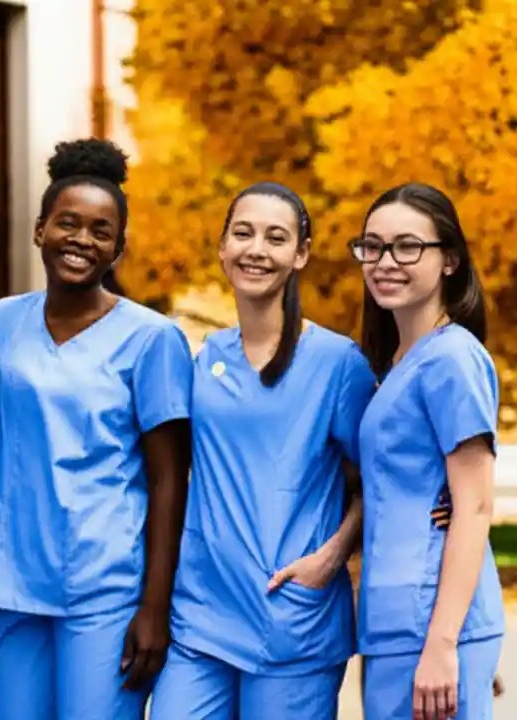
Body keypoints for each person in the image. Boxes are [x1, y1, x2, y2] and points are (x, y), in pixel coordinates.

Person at [0, 139, 193, 720]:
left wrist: (155, 608)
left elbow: (171, 479)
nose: (82, 240)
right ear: (40, 228)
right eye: (68, 223)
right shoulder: (5, 320)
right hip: (17, 577)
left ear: (119, 246)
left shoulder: (151, 339)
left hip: (107, 586)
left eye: (100, 230)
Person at [148, 183, 372, 719]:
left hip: (292, 622)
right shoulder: (205, 360)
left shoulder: (338, 364)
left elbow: (381, 480)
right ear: (222, 248)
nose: (257, 249)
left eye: (276, 238)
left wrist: (333, 554)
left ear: (301, 254)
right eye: (243, 233)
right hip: (200, 619)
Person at [351, 182, 504, 720]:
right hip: (393, 622)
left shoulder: (452, 359)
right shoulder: (397, 362)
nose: (385, 261)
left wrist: (445, 641)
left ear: (450, 261)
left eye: (407, 246)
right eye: (372, 246)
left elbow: (475, 505)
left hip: (427, 624)